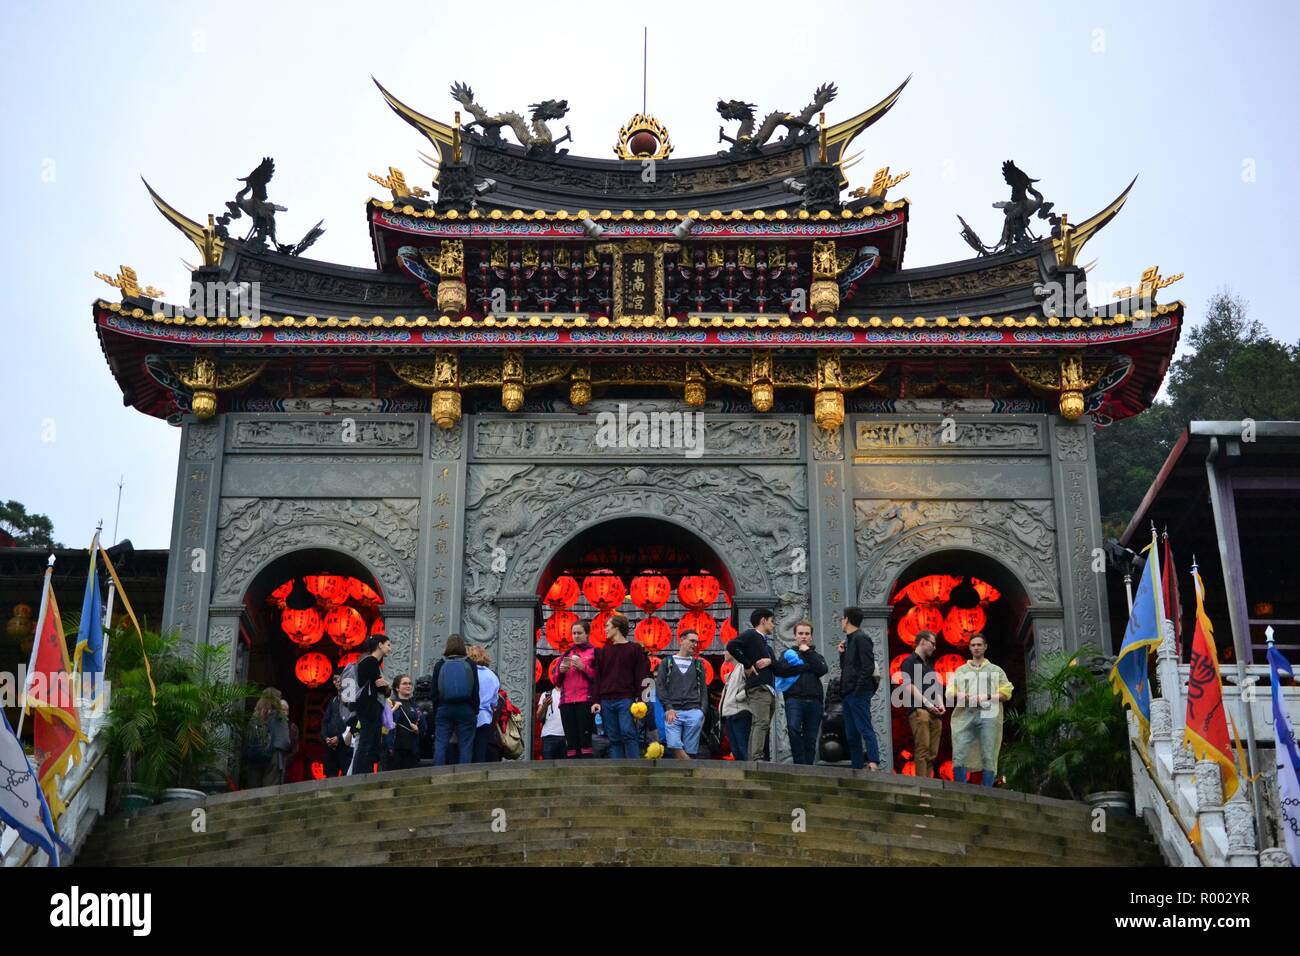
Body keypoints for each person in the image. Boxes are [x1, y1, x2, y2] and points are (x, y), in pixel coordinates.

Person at [946, 634, 1013, 786]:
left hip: (989, 716)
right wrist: (963, 695)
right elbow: (950, 692)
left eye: (979, 645)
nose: (976, 647)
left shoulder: (996, 670)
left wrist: (987, 696)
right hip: (964, 715)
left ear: (985, 647)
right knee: (959, 749)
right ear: (969, 648)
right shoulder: (961, 670)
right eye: (973, 645)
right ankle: (960, 787)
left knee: (988, 751)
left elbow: (1007, 692)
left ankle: (987, 789)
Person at [592, 613, 649, 759]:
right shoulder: (603, 651)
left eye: (607, 626)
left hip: (626, 698)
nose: (605, 629)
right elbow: (597, 677)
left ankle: (634, 768)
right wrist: (596, 700)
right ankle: (617, 768)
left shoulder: (635, 649)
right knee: (613, 738)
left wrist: (641, 699)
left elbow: (641, 676)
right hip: (606, 700)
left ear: (616, 628)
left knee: (628, 732)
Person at [726, 608, 778, 761]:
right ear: (763, 621)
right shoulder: (751, 634)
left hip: (768, 688)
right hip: (758, 687)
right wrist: (748, 665)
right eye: (771, 621)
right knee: (760, 722)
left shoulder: (763, 642)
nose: (773, 625)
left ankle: (756, 755)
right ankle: (756, 756)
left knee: (764, 723)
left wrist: (771, 662)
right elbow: (732, 645)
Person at [895, 629, 945, 779]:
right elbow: (908, 685)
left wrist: (941, 704)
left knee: (933, 753)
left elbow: (936, 687)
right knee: (922, 749)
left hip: (935, 712)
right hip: (919, 710)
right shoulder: (909, 661)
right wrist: (927, 703)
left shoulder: (930, 665)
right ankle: (923, 785)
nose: (934, 647)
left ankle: (929, 783)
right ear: (923, 641)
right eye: (933, 644)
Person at [836, 607, 880, 771]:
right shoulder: (849, 641)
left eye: (842, 618)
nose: (841, 621)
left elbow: (867, 667)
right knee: (852, 734)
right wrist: (842, 654)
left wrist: (858, 689)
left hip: (858, 692)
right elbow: (848, 668)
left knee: (864, 727)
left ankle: (873, 762)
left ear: (846, 620)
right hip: (848, 693)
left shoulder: (862, 638)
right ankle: (857, 766)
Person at [780, 621, 829, 766]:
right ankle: (799, 763)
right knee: (793, 728)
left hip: (814, 701)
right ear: (795, 636)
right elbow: (782, 670)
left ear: (811, 637)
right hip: (794, 699)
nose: (803, 636)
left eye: (807, 634)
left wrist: (807, 653)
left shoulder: (816, 656)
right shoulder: (787, 654)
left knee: (811, 737)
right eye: (800, 633)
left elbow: (822, 669)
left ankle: (807, 767)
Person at [655, 630, 709, 760]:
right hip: (673, 710)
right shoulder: (667, 662)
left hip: (694, 710)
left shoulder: (698, 665)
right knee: (673, 744)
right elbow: (660, 686)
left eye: (696, 642)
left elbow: (703, 690)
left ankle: (686, 773)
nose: (695, 644)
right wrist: (668, 707)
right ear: (681, 640)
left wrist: (702, 712)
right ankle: (691, 768)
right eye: (692, 641)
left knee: (691, 749)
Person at [430, 633, 479, 766]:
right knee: (466, 745)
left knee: (441, 744)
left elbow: (434, 692)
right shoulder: (470, 663)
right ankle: (463, 775)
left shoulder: (440, 664)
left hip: (444, 708)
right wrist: (474, 709)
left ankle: (437, 774)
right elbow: (475, 690)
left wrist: (437, 710)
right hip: (466, 708)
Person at [348, 634, 391, 775]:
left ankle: (364, 774)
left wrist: (385, 686)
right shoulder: (370, 661)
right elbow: (380, 687)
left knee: (371, 743)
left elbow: (385, 689)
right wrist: (385, 686)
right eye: (388, 645)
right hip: (368, 707)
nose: (389, 648)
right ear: (380, 645)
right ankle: (359, 775)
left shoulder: (374, 663)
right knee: (366, 742)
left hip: (371, 707)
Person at [555, 619, 599, 758]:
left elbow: (600, 678)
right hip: (566, 702)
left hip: (586, 700)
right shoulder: (565, 654)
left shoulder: (595, 652)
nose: (576, 636)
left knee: (585, 740)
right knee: (571, 741)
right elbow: (556, 682)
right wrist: (561, 672)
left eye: (579, 633)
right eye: (574, 633)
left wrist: (583, 667)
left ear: (587, 634)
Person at [467, 645, 501, 764]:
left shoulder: (468, 672)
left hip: (469, 714)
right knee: (480, 750)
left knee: (466, 749)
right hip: (485, 716)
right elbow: (495, 700)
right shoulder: (492, 675)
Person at [387, 674, 426, 771]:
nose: (408, 686)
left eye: (410, 683)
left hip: (411, 750)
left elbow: (423, 727)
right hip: (395, 749)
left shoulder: (416, 706)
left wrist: (418, 730)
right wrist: (394, 709)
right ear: (397, 688)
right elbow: (384, 723)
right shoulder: (390, 704)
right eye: (404, 684)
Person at [719, 650, 752, 761]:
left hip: (740, 712)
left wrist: (738, 697)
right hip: (730, 713)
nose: (724, 653)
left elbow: (753, 684)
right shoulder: (734, 671)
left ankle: (749, 773)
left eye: (727, 650)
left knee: (743, 747)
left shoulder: (743, 667)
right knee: (735, 749)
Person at [321, 672, 353, 778]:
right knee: (330, 776)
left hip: (346, 745)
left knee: (346, 775)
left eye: (340, 679)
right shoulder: (333, 701)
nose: (337, 682)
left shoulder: (351, 700)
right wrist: (326, 737)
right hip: (331, 746)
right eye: (335, 680)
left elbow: (353, 722)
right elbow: (325, 722)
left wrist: (339, 738)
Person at [536, 684, 566, 760]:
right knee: (548, 766)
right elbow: (538, 716)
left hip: (567, 736)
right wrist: (544, 705)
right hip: (549, 735)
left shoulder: (570, 694)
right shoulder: (546, 694)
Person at [278, 697, 299, 783]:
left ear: (288, 712)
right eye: (281, 710)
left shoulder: (293, 727)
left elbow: (295, 749)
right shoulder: (272, 725)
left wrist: (286, 760)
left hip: (286, 763)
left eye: (285, 710)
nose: (283, 712)